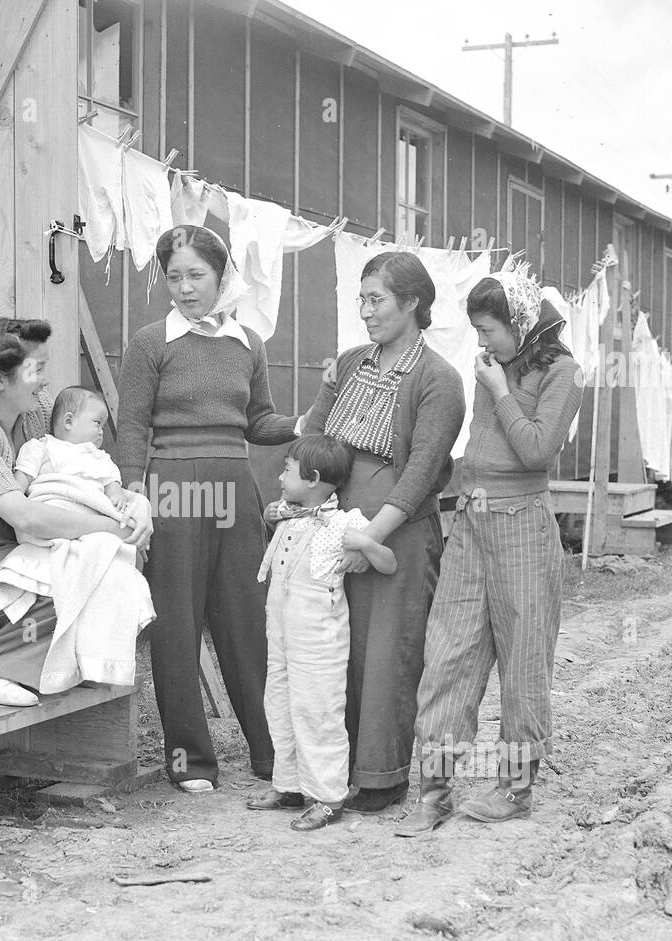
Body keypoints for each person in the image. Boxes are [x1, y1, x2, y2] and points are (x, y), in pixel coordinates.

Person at [395, 269, 583, 836]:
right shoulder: (494, 366)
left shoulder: (564, 374)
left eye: (489, 330)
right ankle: (434, 791)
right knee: (448, 652)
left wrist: (501, 393)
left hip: (524, 525)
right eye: (476, 331)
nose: (482, 343)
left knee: (524, 661)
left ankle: (515, 790)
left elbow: (534, 450)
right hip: (473, 523)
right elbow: (479, 450)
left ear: (520, 325)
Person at [117, 224, 299, 792]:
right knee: (177, 625)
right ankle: (188, 763)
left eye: (196, 275)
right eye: (174, 277)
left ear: (221, 276)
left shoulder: (248, 342)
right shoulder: (152, 343)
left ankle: (274, 755)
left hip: (234, 487)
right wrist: (132, 492)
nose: (185, 288)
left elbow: (260, 422)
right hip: (173, 489)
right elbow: (132, 425)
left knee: (247, 621)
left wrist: (305, 424)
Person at [0, 318, 152, 708]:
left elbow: (85, 470)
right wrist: (112, 528)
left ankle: (70, 665)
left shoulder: (35, 411)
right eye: (36, 369)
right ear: (0, 379)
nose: (43, 380)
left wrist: (139, 510)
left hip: (22, 550)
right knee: (77, 577)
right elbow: (27, 517)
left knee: (109, 565)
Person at [299, 251, 465, 812]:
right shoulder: (349, 364)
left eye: (378, 301)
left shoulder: (438, 379)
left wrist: (370, 537)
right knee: (332, 647)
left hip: (398, 532)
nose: (366, 312)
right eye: (361, 300)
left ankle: (380, 776)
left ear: (413, 303)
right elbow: (316, 439)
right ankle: (328, 769)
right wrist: (315, 516)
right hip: (334, 527)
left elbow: (421, 470)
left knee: (387, 654)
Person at [248, 435, 396, 831]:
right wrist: (273, 514)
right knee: (279, 700)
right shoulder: (289, 513)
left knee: (318, 710)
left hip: (319, 639)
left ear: (313, 478)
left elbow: (388, 563)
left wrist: (366, 542)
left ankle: (329, 795)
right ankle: (290, 784)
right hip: (280, 628)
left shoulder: (344, 522)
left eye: (287, 470)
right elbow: (270, 514)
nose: (280, 477)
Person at [13, 386, 131, 512]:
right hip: (49, 510)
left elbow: (113, 487)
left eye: (103, 427)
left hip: (90, 515)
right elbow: (21, 483)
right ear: (69, 421)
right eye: (97, 422)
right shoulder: (41, 447)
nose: (101, 432)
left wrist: (117, 498)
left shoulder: (102, 459)